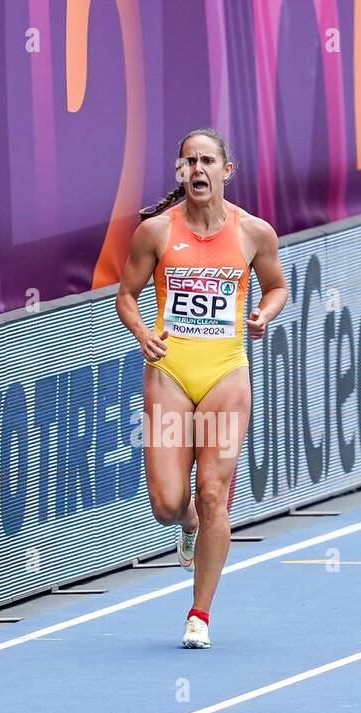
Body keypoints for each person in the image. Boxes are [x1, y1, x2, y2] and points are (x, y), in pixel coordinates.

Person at [115, 129, 288, 649]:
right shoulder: (155, 233)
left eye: (207, 161)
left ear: (226, 171)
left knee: (215, 493)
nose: (198, 170)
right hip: (170, 373)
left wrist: (262, 314)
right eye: (189, 161)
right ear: (178, 172)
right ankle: (185, 522)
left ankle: (199, 614)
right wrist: (143, 332)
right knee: (168, 503)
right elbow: (126, 294)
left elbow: (277, 286)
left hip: (226, 375)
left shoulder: (254, 232)